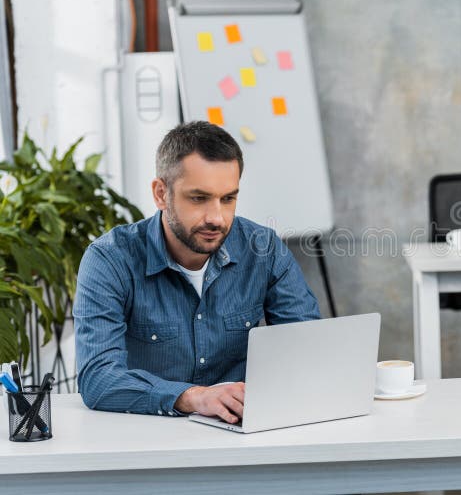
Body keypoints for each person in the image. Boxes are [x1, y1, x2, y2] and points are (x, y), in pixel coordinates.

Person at [74, 121, 320, 423]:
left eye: (228, 199)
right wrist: (194, 397)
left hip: (241, 435)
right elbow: (97, 379)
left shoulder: (264, 249)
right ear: (161, 193)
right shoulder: (110, 260)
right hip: (146, 438)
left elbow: (308, 350)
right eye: (199, 198)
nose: (216, 217)